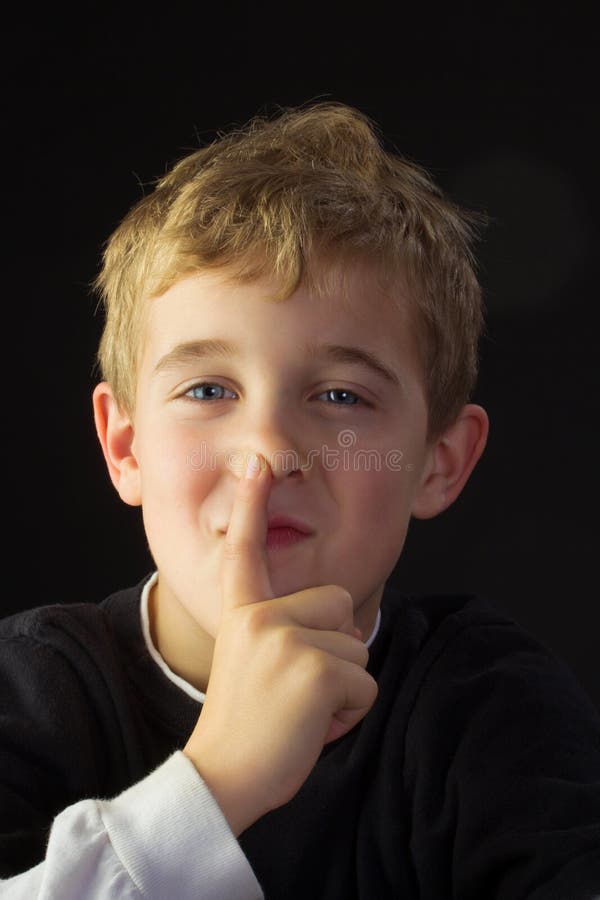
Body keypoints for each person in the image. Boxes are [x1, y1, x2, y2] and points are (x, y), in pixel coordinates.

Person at [1, 102, 599, 900]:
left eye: (341, 397)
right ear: (125, 447)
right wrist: (217, 783)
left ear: (439, 462)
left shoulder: (489, 705)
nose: (269, 451)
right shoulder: (28, 692)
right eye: (208, 390)